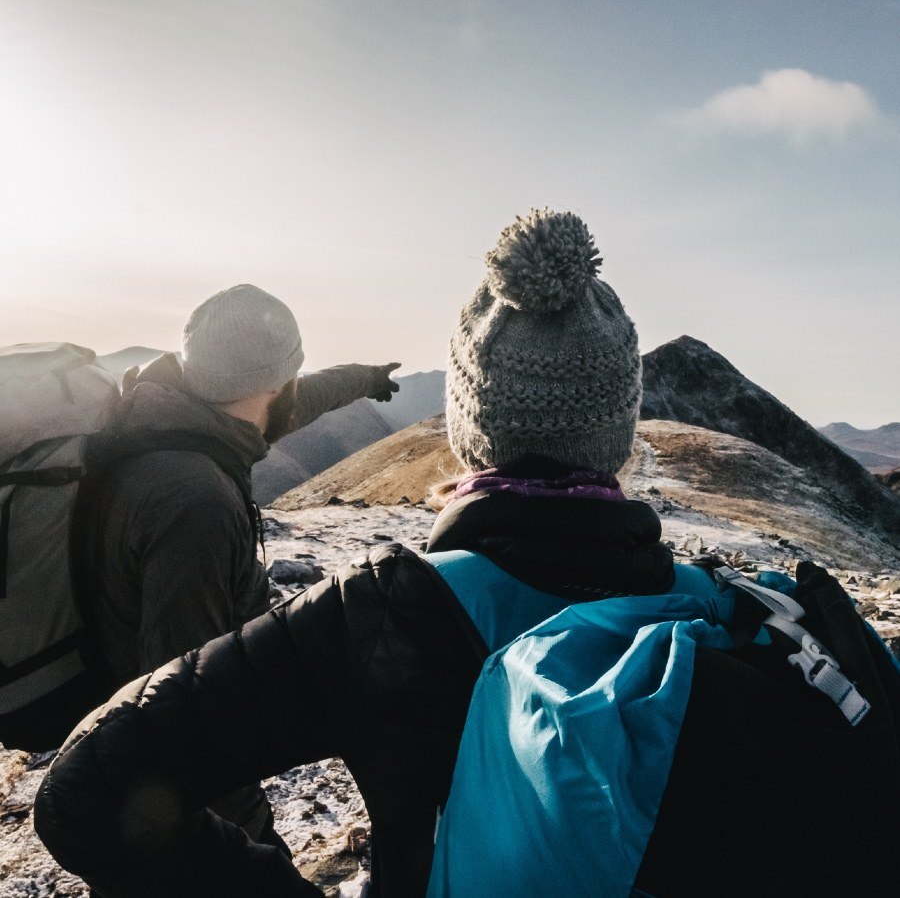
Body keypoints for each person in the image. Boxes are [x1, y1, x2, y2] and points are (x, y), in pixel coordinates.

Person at [34, 213, 898, 897]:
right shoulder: (729, 613)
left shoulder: (381, 615)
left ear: (467, 427)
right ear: (621, 432)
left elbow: (87, 795)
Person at [72, 283, 401, 852]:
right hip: (153, 801)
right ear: (273, 384)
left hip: (120, 748)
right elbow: (184, 706)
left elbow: (300, 399)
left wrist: (366, 376)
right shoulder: (195, 503)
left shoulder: (170, 414)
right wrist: (252, 843)